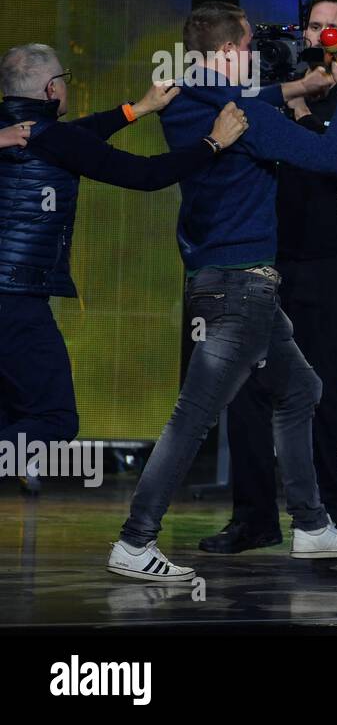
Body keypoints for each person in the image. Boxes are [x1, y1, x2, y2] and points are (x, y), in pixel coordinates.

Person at [108, 1, 337, 581]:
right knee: (191, 418)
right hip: (241, 289)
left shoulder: (186, 101)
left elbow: (248, 104)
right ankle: (135, 540)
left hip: (223, 284)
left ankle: (310, 525)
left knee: (301, 387)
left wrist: (296, 86)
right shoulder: (241, 115)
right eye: (249, 47)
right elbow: (331, 156)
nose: (255, 55)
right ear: (229, 53)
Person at [0, 43, 247, 495]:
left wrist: (137, 109)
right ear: (53, 89)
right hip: (14, 300)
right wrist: (213, 143)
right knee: (55, 418)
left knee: (13, 420)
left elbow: (76, 137)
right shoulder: (51, 137)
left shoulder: (20, 130)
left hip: (13, 298)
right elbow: (146, 174)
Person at [201, 0, 337, 554]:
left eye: (334, 29)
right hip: (272, 256)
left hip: (331, 262)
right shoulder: (274, 93)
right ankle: (254, 517)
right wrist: (293, 98)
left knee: (324, 385)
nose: (321, 37)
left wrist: (308, 111)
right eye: (313, 26)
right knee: (247, 384)